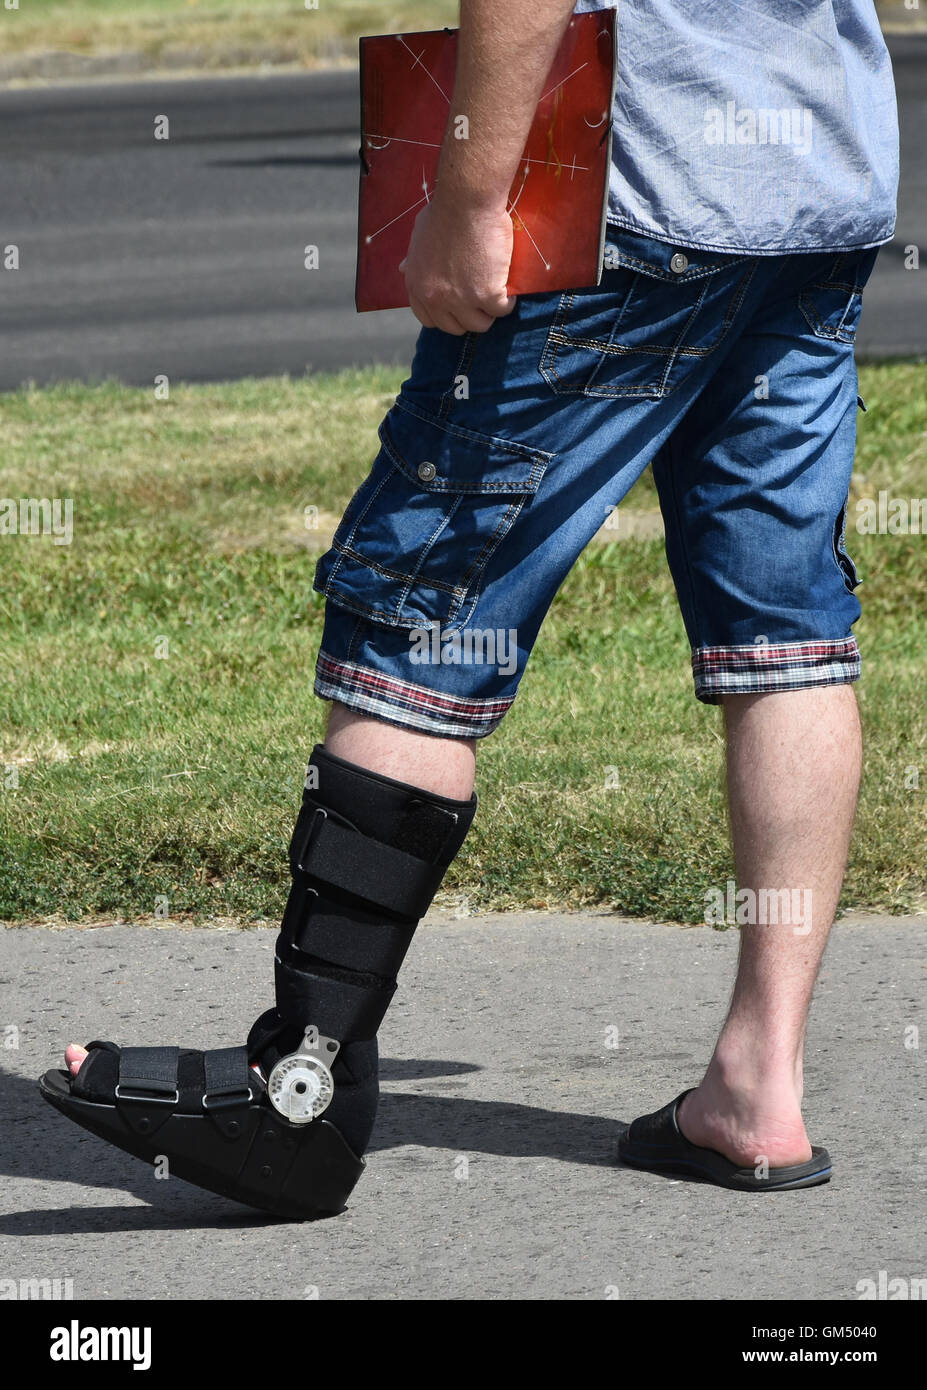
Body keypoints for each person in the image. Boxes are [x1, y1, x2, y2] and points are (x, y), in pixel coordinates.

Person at [43, 0, 898, 1207]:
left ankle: (303, 1089)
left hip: (624, 185)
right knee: (788, 630)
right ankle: (761, 1086)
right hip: (816, 183)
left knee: (418, 622)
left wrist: (468, 195)